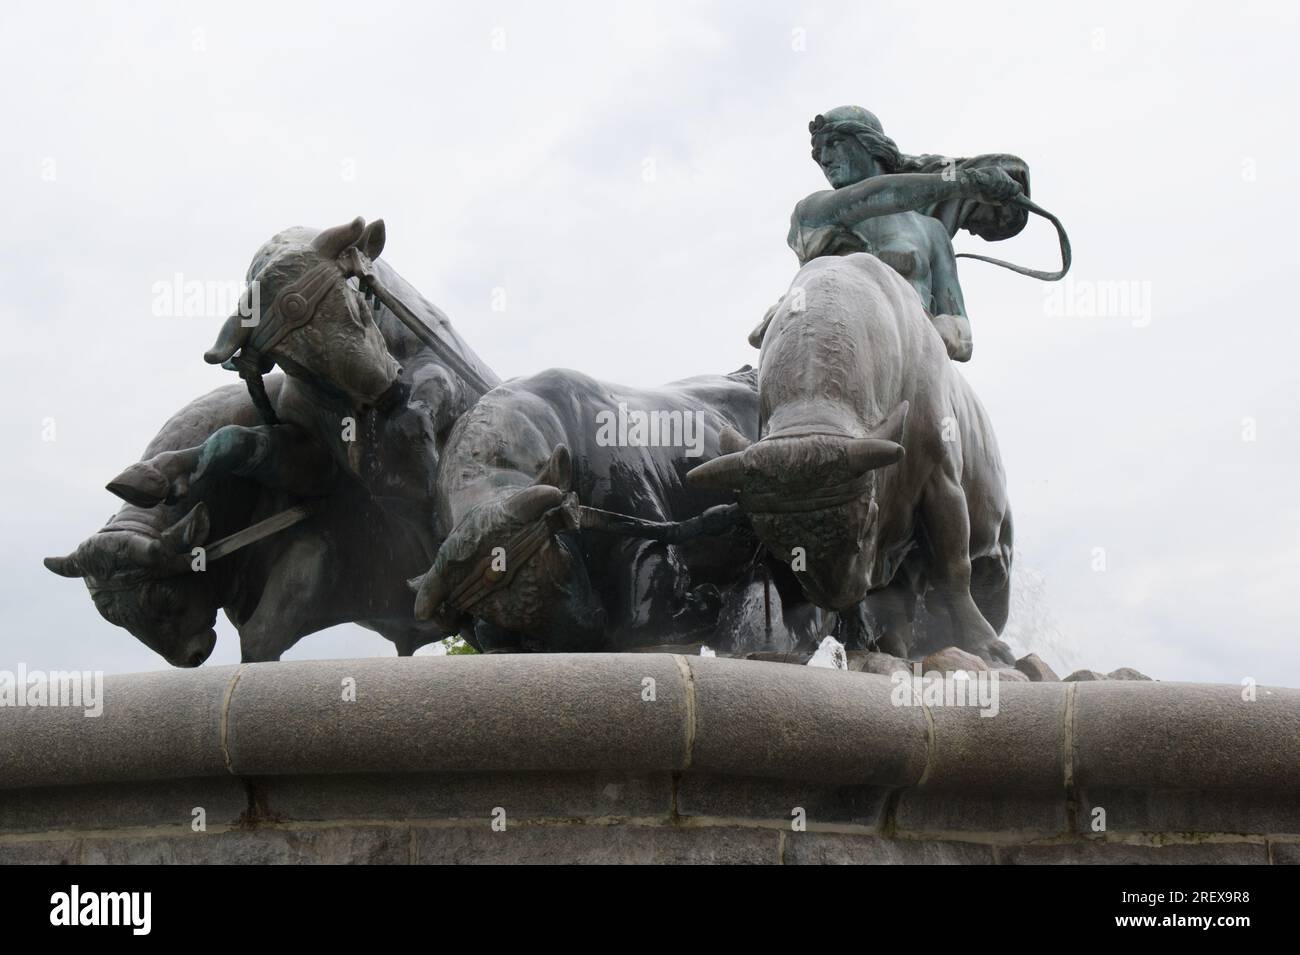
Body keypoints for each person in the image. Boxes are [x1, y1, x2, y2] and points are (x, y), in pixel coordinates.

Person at [778, 105, 1029, 361]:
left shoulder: (931, 231)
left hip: (913, 358)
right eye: (819, 152)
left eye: (834, 143)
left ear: (870, 144)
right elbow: (874, 194)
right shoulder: (813, 212)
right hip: (830, 348)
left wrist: (942, 332)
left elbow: (963, 334)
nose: (825, 159)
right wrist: (966, 182)